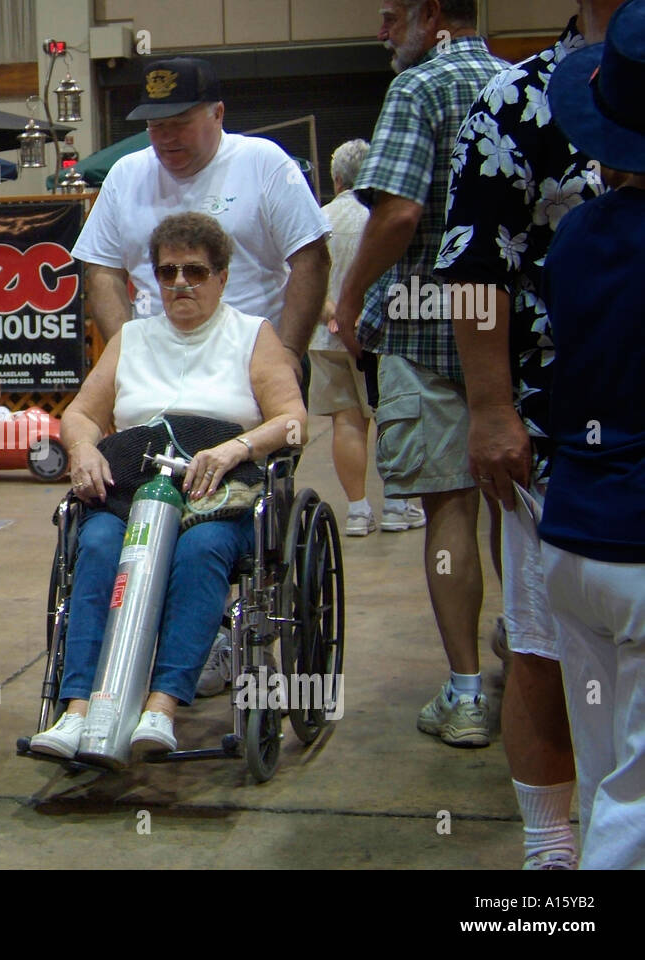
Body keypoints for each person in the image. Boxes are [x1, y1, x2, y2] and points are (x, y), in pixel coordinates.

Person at [435, 0, 628, 870]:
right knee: (544, 646)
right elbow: (476, 263)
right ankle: (553, 853)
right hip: (558, 440)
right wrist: (488, 408)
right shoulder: (518, 99)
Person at [30, 213, 306, 758]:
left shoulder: (252, 335)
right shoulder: (131, 337)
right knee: (100, 545)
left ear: (223, 278)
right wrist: (83, 448)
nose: (181, 282)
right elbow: (82, 413)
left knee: (199, 550)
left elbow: (293, 420)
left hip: (217, 488)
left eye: (196, 272)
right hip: (134, 478)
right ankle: (77, 709)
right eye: (168, 271)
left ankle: (162, 706)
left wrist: (237, 447)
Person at [332, 0, 507, 748]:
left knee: (449, 511)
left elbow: (399, 214)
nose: (382, 31)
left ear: (432, 13)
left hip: (429, 331)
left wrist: (350, 295)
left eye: (392, 14)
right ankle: (534, 664)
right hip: (511, 334)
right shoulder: (520, 82)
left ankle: (466, 693)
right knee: (520, 512)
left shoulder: (418, 88)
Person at [540, 0, 645, 869]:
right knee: (636, 806)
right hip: (640, 544)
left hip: (574, 531)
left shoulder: (576, 237)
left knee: (607, 761)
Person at [71, 56, 331, 384]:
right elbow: (103, 271)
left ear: (217, 113)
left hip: (253, 364)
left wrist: (290, 351)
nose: (166, 137)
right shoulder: (125, 174)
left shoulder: (264, 162)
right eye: (155, 125)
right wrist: (125, 354)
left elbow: (312, 259)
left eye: (180, 122)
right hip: (157, 370)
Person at [310, 138, 426, 537]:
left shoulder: (318, 219)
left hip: (328, 338)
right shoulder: (384, 219)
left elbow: (307, 280)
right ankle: (396, 504)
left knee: (347, 421)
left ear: (337, 178)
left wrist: (333, 317)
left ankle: (358, 511)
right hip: (382, 336)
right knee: (391, 414)